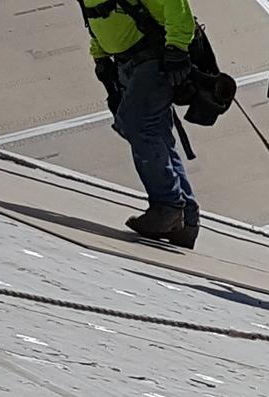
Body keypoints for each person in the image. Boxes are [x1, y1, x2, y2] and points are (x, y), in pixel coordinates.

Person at [84, 0, 202, 248]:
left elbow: (176, 4)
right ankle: (185, 220)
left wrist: (178, 46)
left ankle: (168, 206)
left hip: (151, 56)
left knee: (138, 126)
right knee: (155, 131)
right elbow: (95, 15)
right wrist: (101, 55)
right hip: (127, 62)